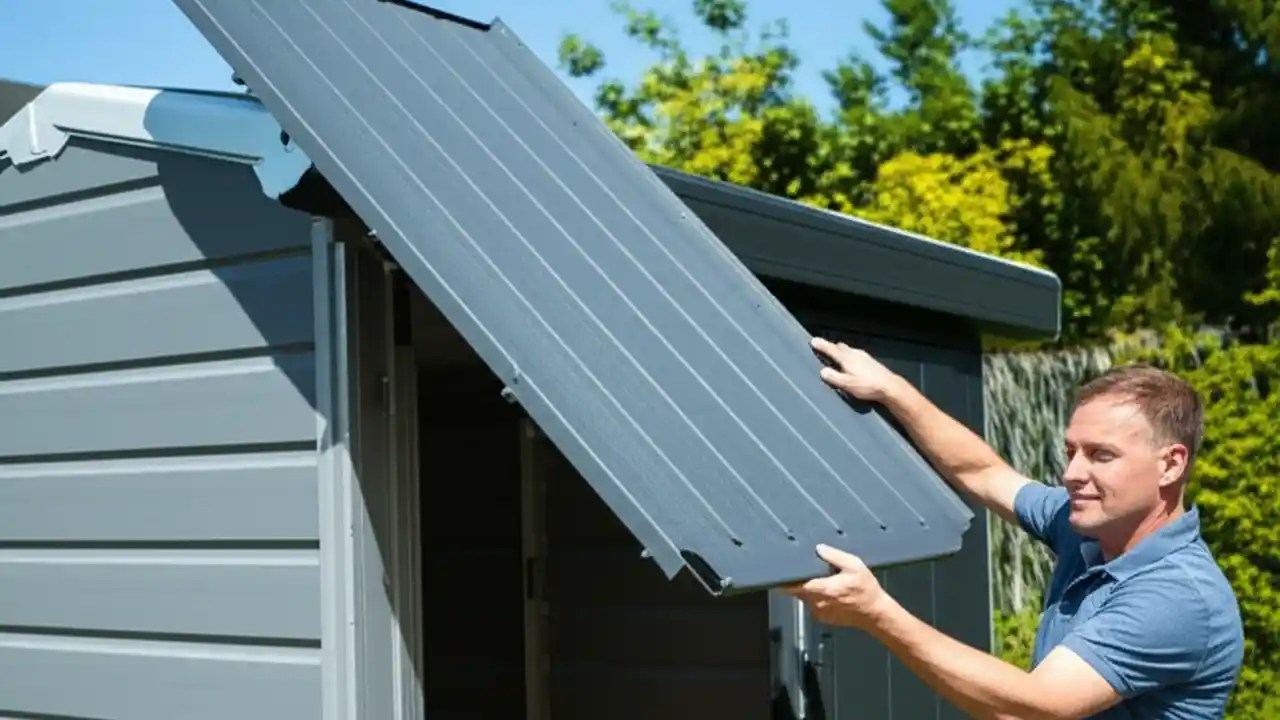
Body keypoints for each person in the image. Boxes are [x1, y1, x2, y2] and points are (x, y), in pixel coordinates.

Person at [786, 337, 1244, 720]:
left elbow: (1042, 702)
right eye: (1071, 452)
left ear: (1171, 465)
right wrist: (891, 390)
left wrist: (877, 613)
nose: (1071, 474)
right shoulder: (1085, 527)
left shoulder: (1177, 597)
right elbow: (982, 472)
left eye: (1101, 455)